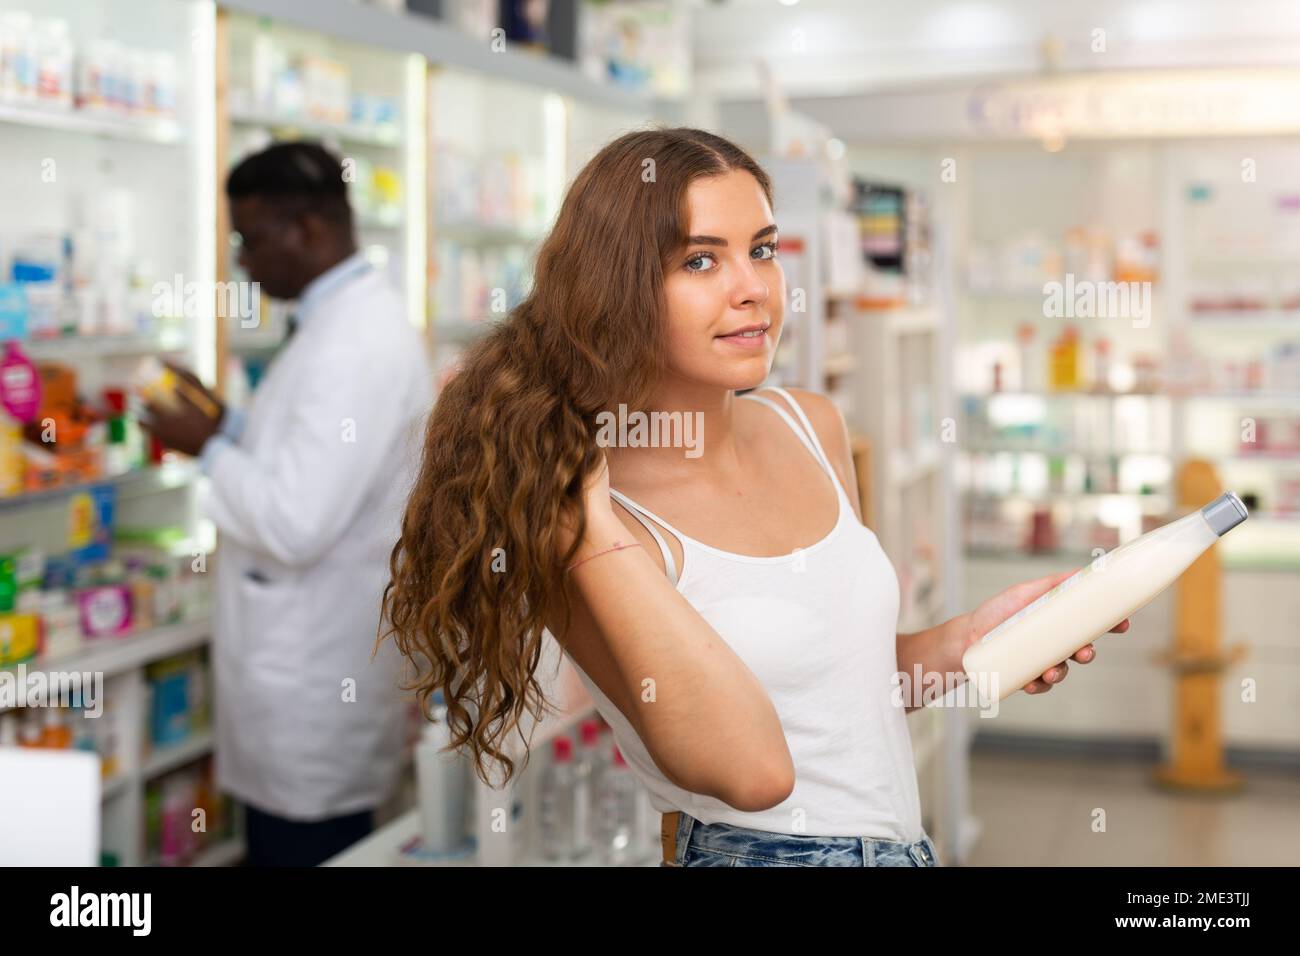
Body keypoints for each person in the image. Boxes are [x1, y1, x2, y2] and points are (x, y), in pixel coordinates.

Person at [380, 127, 1129, 868]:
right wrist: (587, 519)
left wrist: (973, 644)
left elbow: (840, 698)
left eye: (762, 250)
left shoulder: (812, 425)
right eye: (701, 260)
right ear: (616, 289)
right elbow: (755, 771)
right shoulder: (587, 513)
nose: (753, 288)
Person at [145, 141, 433, 867]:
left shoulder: (356, 342)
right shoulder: (331, 324)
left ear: (306, 229)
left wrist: (208, 446)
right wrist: (227, 423)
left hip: (314, 679)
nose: (241, 258)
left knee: (309, 850)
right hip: (298, 664)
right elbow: (311, 458)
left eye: (250, 237)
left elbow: (296, 520)